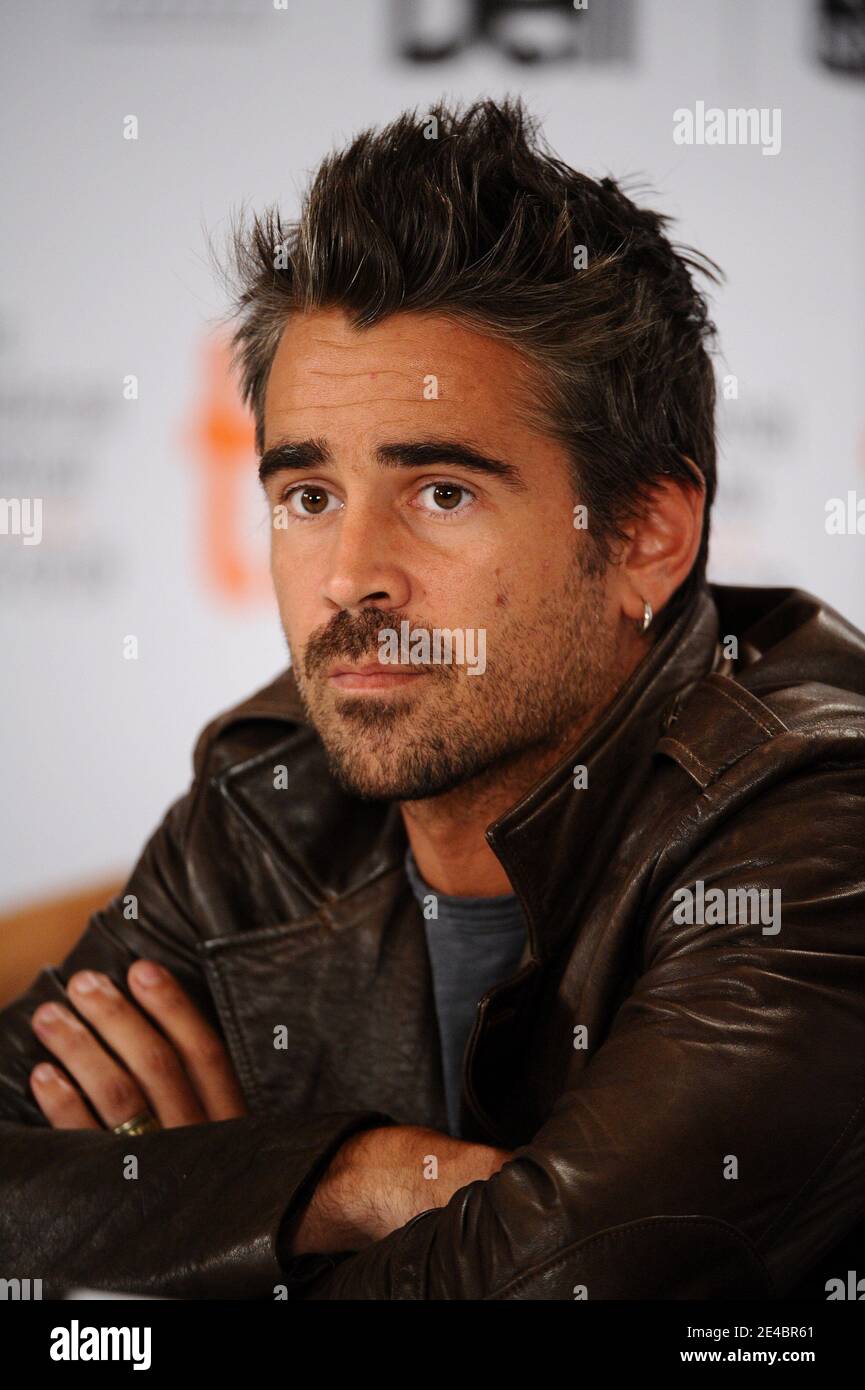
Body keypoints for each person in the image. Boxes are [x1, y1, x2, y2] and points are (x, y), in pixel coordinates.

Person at [2, 96, 864, 1301]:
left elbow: (540, 1289)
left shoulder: (818, 832)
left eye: (442, 492)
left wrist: (210, 1214)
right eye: (307, 496)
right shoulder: (273, 799)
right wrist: (346, 1179)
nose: (350, 574)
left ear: (647, 537)